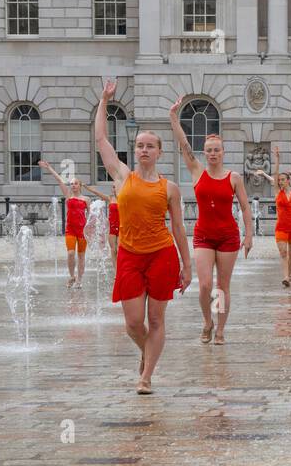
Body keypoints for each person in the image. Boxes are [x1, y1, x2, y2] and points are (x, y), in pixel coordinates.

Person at [96, 78, 192, 394]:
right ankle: (147, 352)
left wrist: (187, 265)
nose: (144, 149)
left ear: (160, 152)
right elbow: (101, 141)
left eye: (150, 145)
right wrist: (104, 101)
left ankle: (146, 376)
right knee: (134, 323)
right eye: (140, 145)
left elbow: (179, 229)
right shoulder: (123, 177)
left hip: (162, 255)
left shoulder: (170, 189)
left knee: (157, 319)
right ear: (134, 150)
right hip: (129, 255)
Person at [169, 96, 254, 345]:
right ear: (204, 153)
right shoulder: (197, 171)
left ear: (223, 152)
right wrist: (174, 117)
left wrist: (248, 235)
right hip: (204, 235)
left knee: (222, 286)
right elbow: (184, 145)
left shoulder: (234, 177)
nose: (213, 154)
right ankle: (207, 321)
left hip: (228, 236)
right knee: (205, 285)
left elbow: (246, 208)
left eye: (217, 150)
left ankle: (220, 330)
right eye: (209, 150)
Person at [253, 146, 291, 288]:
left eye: (283, 180)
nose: (281, 182)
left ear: (288, 181)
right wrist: (277, 159)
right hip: (281, 227)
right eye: (280, 180)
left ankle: (289, 275)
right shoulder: (278, 192)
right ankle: (285, 276)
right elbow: (276, 173)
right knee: (283, 253)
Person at [39, 159, 89, 288]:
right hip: (70, 229)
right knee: (71, 253)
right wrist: (49, 168)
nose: (73, 185)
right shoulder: (68, 195)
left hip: (82, 231)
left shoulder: (86, 199)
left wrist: (91, 229)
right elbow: (60, 180)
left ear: (80, 185)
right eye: (71, 184)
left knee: (81, 256)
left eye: (75, 183)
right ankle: (72, 276)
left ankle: (79, 280)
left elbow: (91, 217)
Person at [81, 183, 120, 260]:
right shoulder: (110, 198)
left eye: (116, 187)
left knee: (119, 250)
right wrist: (87, 187)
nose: (114, 189)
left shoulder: (124, 198)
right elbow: (97, 193)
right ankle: (116, 270)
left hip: (121, 227)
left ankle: (120, 269)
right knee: (113, 250)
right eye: (113, 187)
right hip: (111, 227)